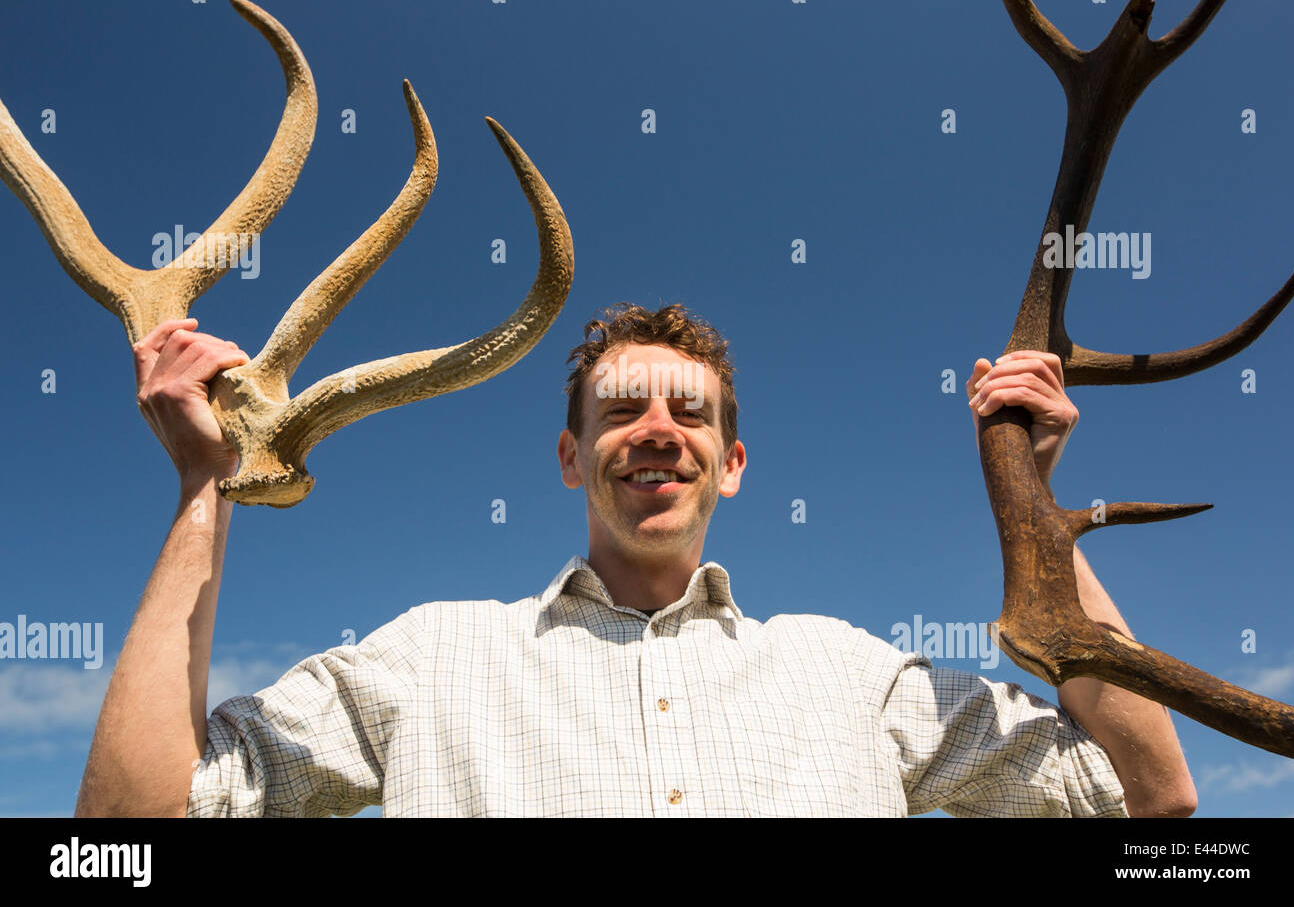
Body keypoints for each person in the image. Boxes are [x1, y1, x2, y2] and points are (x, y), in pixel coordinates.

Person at [74, 303, 1196, 817]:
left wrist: (1031, 503)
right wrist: (205, 484)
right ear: (572, 457)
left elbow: (1151, 800)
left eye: (690, 413)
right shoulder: (427, 658)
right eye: (620, 409)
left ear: (733, 462)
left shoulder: (858, 679)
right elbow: (131, 836)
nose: (656, 428)